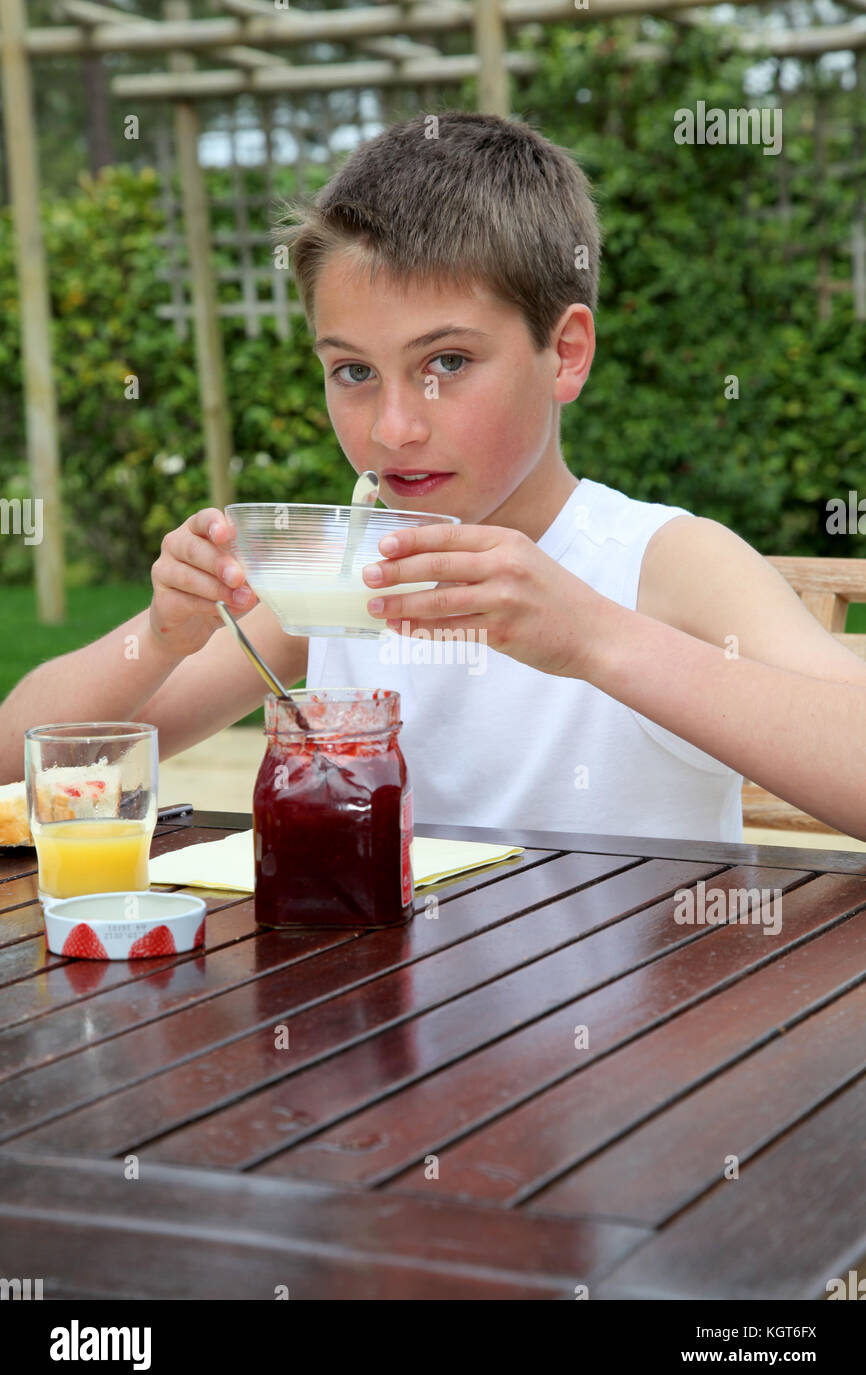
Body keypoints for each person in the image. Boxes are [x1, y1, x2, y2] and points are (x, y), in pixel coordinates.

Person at [3, 110, 866, 841]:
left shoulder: (659, 563)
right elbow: (21, 764)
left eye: (447, 361)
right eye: (353, 371)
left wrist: (593, 637)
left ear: (564, 354)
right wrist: (158, 638)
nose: (393, 428)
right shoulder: (344, 573)